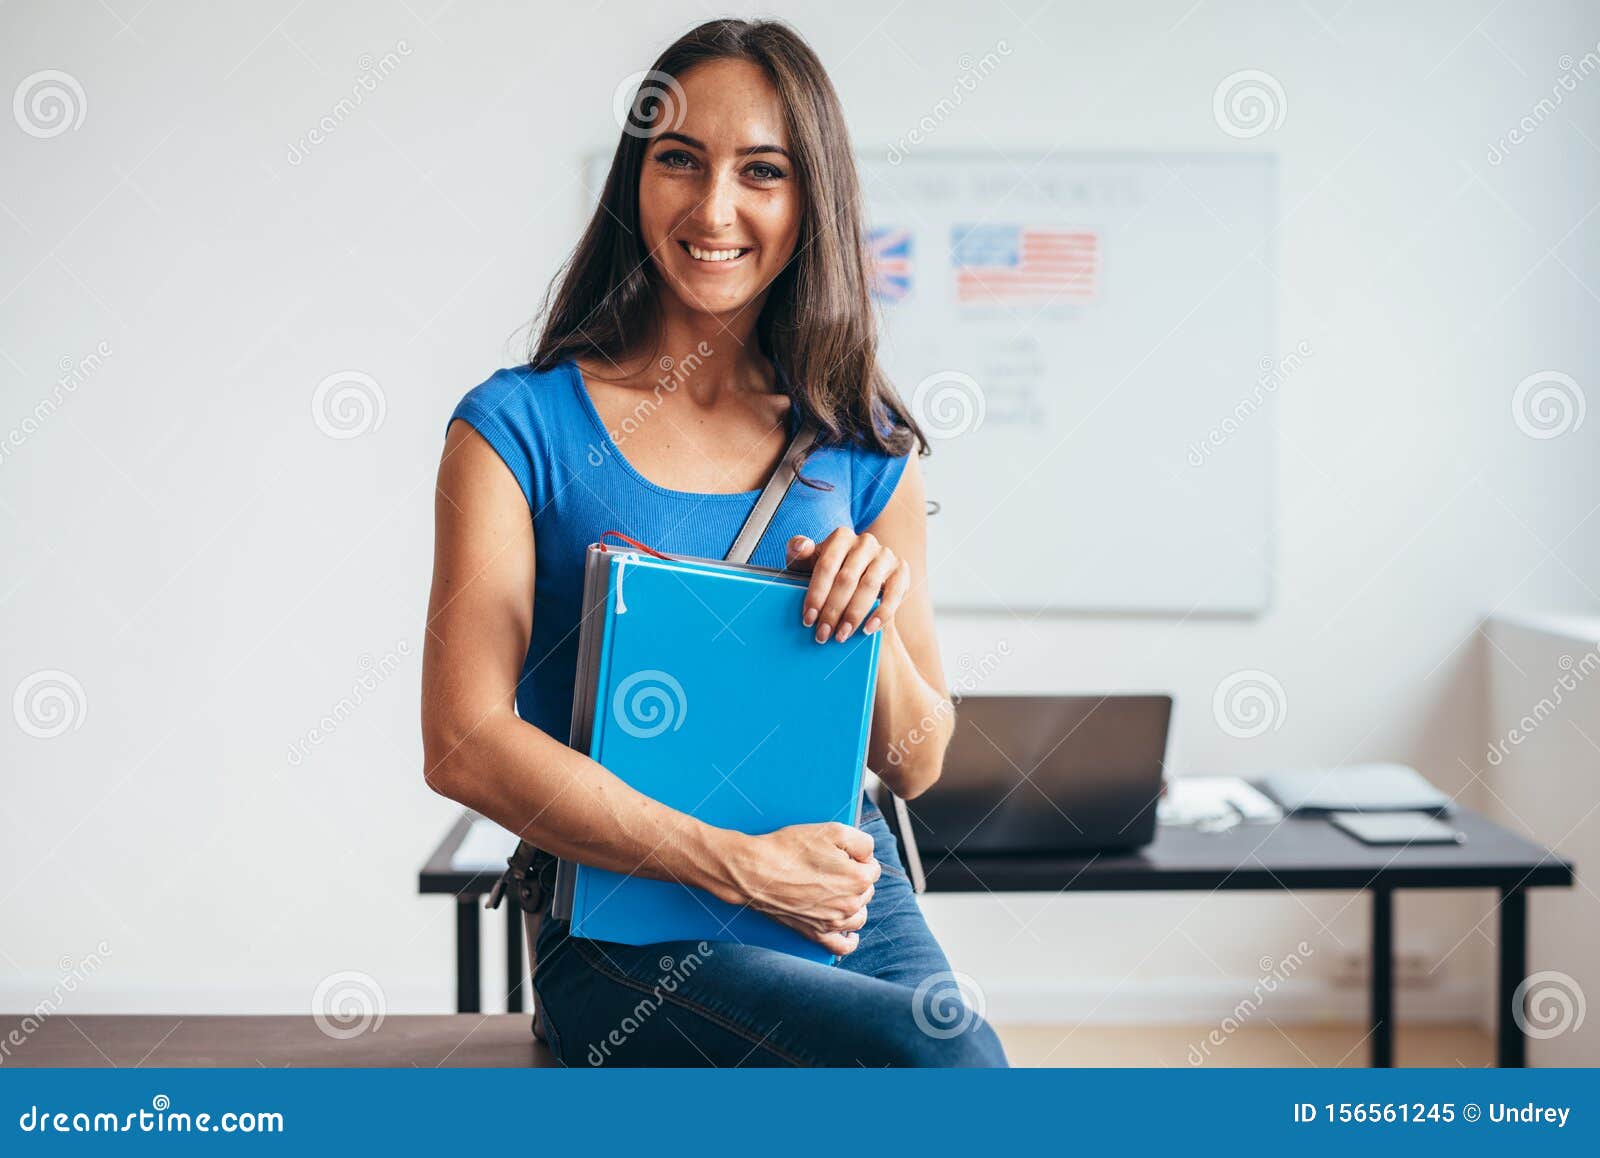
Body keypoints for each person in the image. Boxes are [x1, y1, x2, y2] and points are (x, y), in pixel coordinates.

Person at [421, 17, 1007, 1068]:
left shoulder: (862, 446)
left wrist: (868, 629)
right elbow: (462, 739)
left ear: (809, 200)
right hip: (619, 908)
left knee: (956, 1053)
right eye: (678, 161)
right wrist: (737, 865)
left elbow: (918, 763)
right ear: (633, 180)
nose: (714, 207)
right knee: (927, 1064)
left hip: (839, 884)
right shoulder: (515, 429)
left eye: (762, 171)